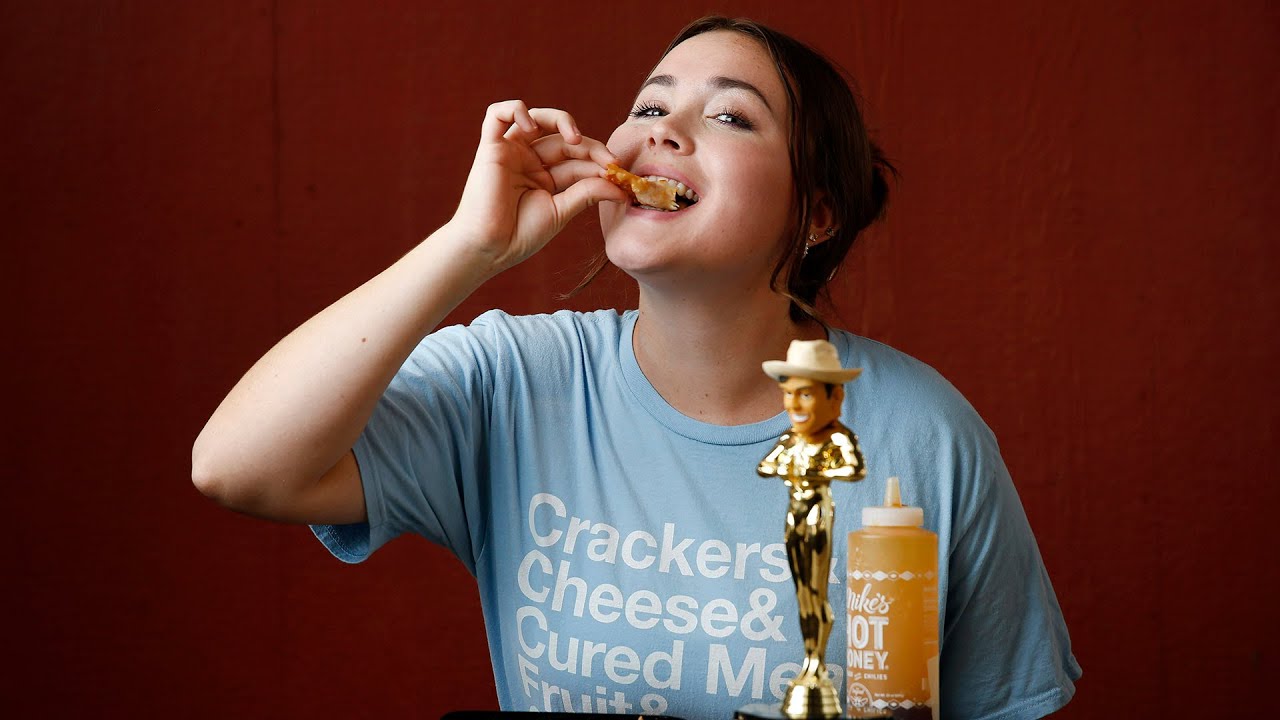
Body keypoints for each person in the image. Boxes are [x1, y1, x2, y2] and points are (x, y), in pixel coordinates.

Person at [193, 15, 1081, 719]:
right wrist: (471, 247)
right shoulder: (516, 380)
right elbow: (238, 467)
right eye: (651, 108)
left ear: (816, 215)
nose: (665, 133)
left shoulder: (923, 436)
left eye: (731, 115)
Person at [756, 339, 867, 717]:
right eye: (789, 394)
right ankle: (810, 660)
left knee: (816, 589)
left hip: (819, 512)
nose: (794, 405)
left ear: (834, 398)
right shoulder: (793, 439)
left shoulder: (837, 438)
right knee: (802, 588)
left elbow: (853, 470)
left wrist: (812, 470)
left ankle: (816, 663)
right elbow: (766, 466)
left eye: (805, 394)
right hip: (795, 513)